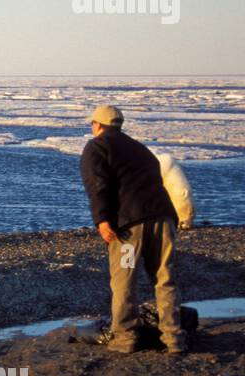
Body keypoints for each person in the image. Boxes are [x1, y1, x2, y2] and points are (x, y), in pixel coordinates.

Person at [79, 105, 186, 353]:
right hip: (163, 220)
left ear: (96, 125)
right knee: (164, 278)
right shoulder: (140, 149)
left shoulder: (96, 147)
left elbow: (97, 186)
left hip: (130, 228)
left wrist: (102, 220)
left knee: (125, 279)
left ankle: (125, 338)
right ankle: (174, 339)